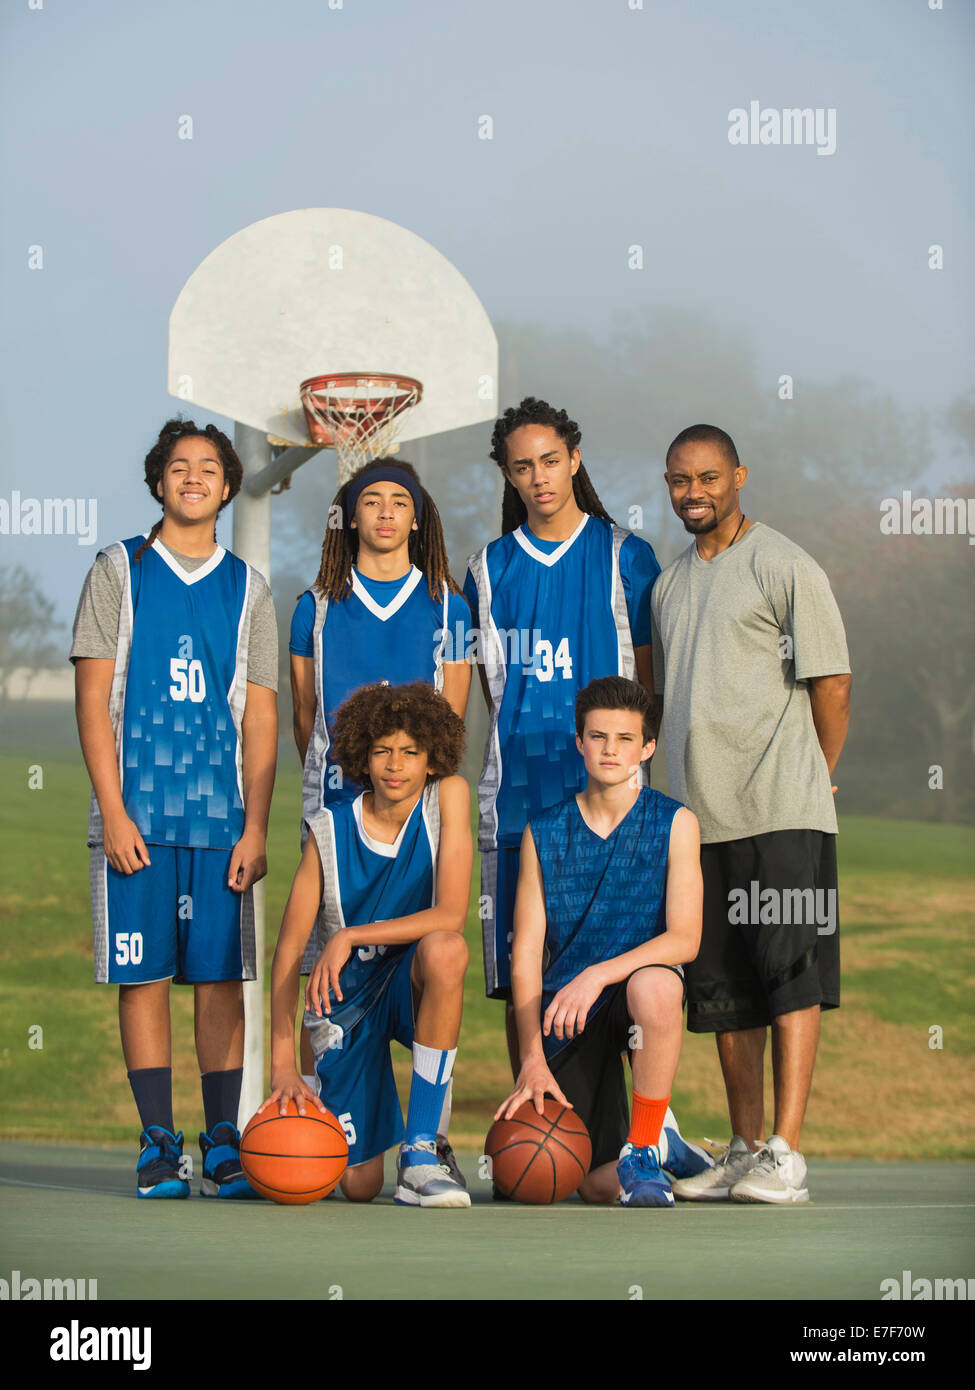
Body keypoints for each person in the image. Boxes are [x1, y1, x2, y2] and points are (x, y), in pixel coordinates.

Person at [72, 418, 278, 1199]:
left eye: (209, 467)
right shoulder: (118, 570)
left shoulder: (248, 587)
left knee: (220, 978)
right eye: (178, 466)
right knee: (145, 975)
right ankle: (159, 1140)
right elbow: (94, 703)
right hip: (140, 816)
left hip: (221, 819)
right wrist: (112, 810)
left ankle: (222, 1137)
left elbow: (260, 719)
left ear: (228, 487)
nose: (193, 477)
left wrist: (255, 824)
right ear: (159, 481)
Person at [651, 424, 852, 1204]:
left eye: (706, 477)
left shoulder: (784, 565)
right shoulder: (667, 586)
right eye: (677, 480)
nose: (692, 492)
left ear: (738, 475)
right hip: (698, 821)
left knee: (788, 979)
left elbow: (830, 682)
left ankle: (785, 1154)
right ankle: (740, 1148)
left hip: (781, 813)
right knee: (725, 992)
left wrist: (815, 774)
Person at [464, 397, 659, 1075]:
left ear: (574, 459)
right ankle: (535, 1102)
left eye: (551, 460)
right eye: (523, 467)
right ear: (509, 478)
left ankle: (642, 1133)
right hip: (520, 800)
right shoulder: (487, 571)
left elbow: (648, 685)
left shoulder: (626, 557)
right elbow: (493, 689)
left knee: (622, 973)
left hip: (609, 801)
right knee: (527, 973)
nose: (539, 476)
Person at [289, 458, 471, 1179]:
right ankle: (317, 1113)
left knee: (439, 954)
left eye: (401, 502)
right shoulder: (317, 606)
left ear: (418, 518)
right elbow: (309, 718)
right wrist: (339, 789)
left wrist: (414, 783)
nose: (387, 514)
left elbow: (451, 717)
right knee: (323, 969)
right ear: (349, 517)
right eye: (373, 502)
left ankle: (429, 1142)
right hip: (343, 807)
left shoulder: (449, 606)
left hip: (420, 811)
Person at [496, 677, 705, 1206]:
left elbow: (685, 939)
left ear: (647, 748)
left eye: (625, 739)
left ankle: (642, 1145)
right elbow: (525, 959)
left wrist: (600, 973)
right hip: (567, 1011)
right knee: (584, 1183)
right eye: (598, 736)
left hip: (630, 995)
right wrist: (531, 1060)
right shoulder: (543, 832)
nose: (611, 749)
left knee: (657, 987)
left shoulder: (676, 823)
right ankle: (660, 1141)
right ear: (579, 741)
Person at [266, 682, 473, 1208]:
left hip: (407, 983)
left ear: (432, 759)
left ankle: (421, 1149)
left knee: (447, 950)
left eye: (410, 752)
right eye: (382, 751)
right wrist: (284, 1063)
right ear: (363, 754)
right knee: (357, 1186)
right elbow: (289, 951)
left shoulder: (447, 798)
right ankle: (298, 1127)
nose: (395, 765)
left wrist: (352, 934)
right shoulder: (329, 829)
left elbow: (451, 913)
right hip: (346, 1005)